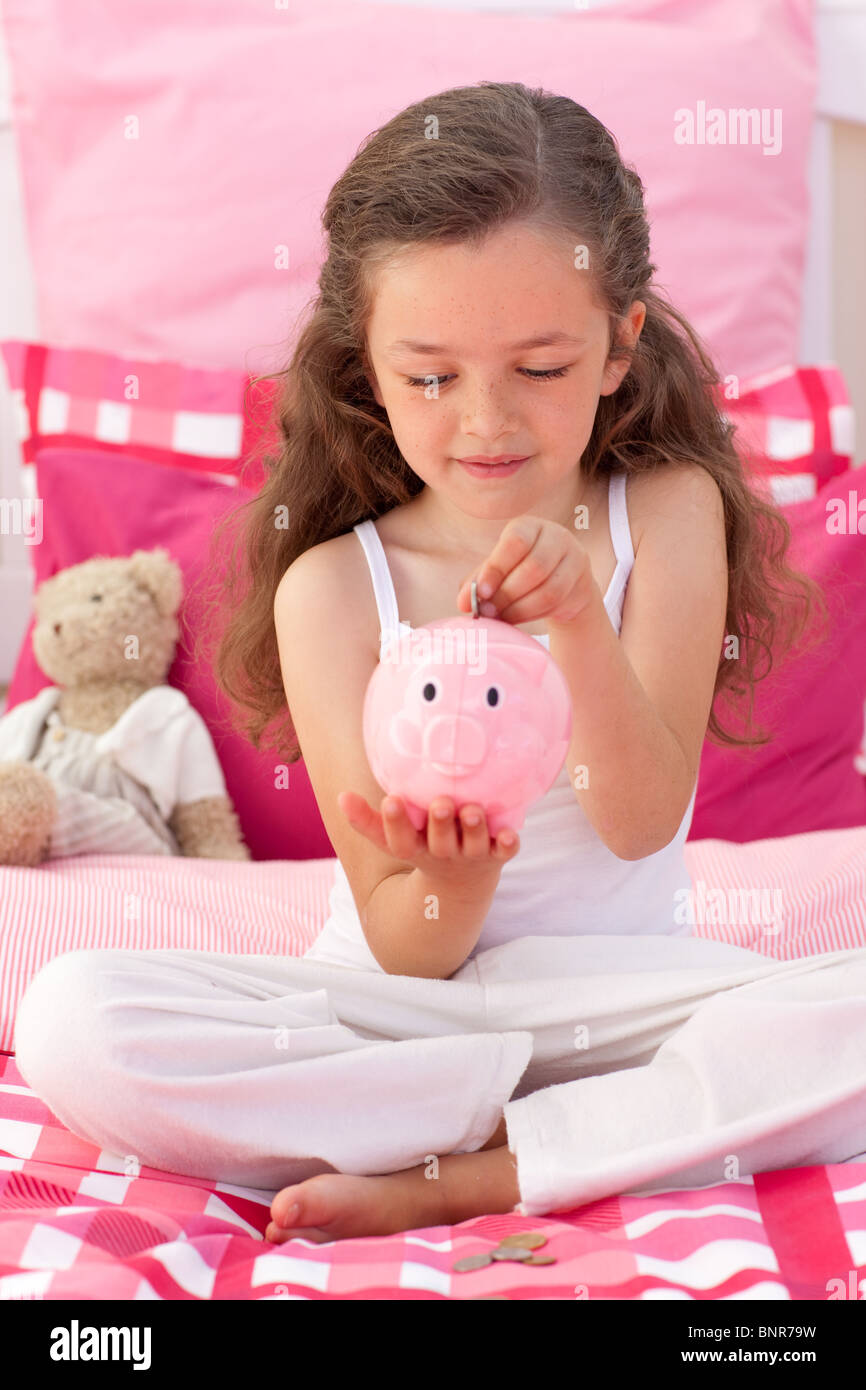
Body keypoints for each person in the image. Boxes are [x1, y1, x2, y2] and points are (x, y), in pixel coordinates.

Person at [14, 82, 866, 1248]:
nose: (484, 422)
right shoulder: (332, 587)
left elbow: (635, 820)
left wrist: (577, 621)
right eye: (430, 377)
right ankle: (571, 1131)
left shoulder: (662, 512)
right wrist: (451, 884)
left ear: (617, 346)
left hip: (619, 1002)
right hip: (393, 1011)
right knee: (73, 1017)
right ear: (366, 367)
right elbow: (403, 940)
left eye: (539, 367)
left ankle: (461, 1174)